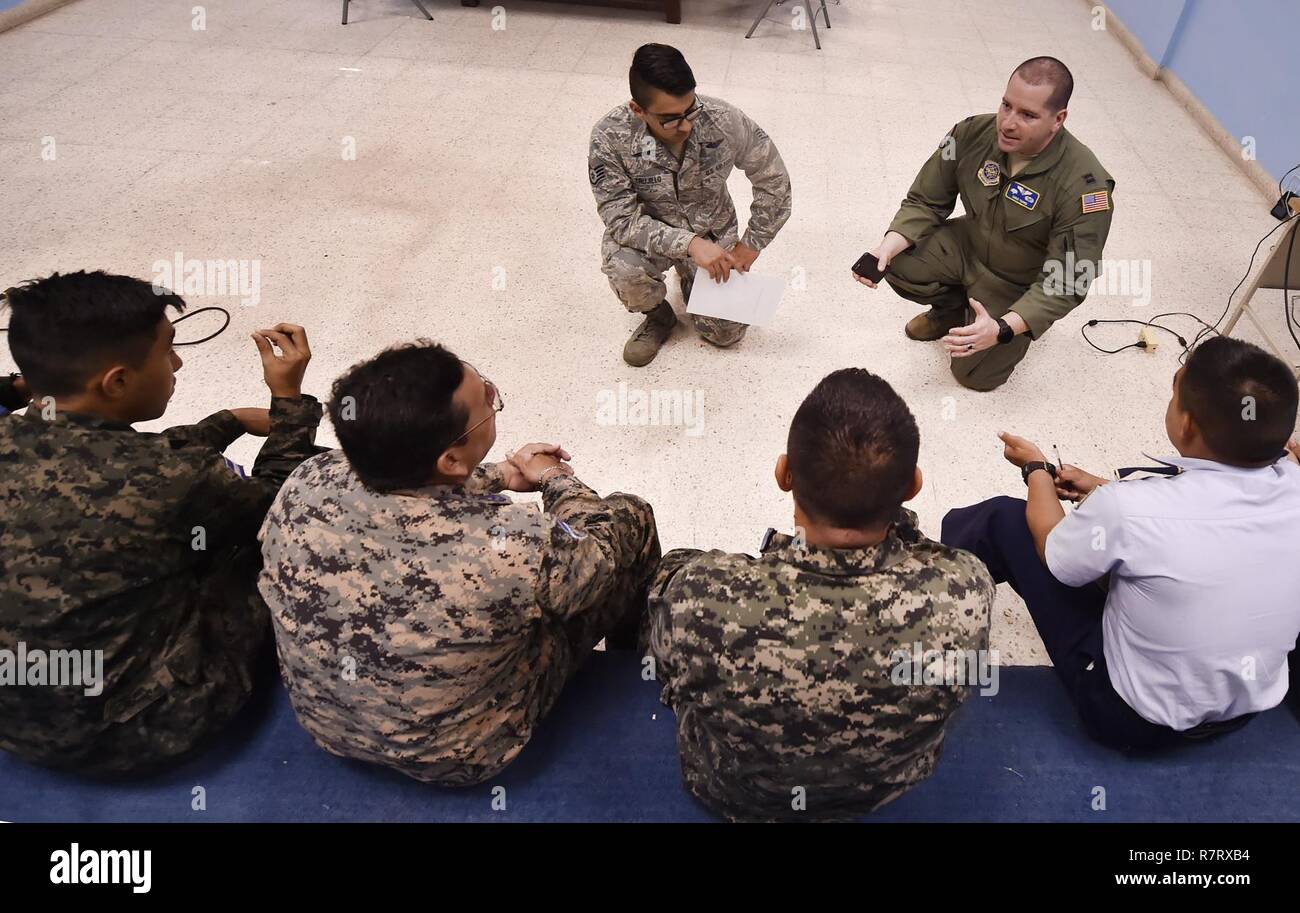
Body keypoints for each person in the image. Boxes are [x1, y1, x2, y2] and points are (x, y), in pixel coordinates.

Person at [258, 341, 661, 786]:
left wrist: (501, 474)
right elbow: (593, 549)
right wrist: (555, 479)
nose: (491, 397)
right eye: (487, 400)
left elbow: (409, 490)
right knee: (629, 519)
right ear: (449, 460)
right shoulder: (516, 547)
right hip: (458, 753)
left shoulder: (307, 480)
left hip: (327, 726)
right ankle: (635, 668)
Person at [0, 270, 322, 775]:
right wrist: (290, 406)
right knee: (252, 548)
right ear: (118, 381)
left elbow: (108, 458)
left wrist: (227, 421)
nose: (176, 362)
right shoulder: (175, 477)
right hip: (136, 732)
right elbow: (278, 502)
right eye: (167, 349)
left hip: (9, 722)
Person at [642, 368, 994, 822]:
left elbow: (669, 678)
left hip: (735, 792)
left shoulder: (702, 593)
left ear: (783, 473)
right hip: (884, 788)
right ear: (913, 487)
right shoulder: (966, 590)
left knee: (674, 567)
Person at [943, 336, 1300, 749]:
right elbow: (1206, 512)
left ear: (1186, 424)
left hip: (1129, 720)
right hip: (1243, 714)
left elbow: (1052, 546)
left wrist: (1036, 469)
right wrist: (1101, 489)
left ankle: (930, 604)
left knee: (1001, 519)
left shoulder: (1127, 509)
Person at [856, 56, 1114, 391]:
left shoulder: (1084, 186)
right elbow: (926, 199)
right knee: (900, 262)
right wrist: (887, 246)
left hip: (1017, 283)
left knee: (974, 377)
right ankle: (951, 311)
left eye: (1027, 115)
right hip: (970, 245)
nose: (1007, 123)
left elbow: (1066, 281)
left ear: (1058, 119)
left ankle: (998, 323)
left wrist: (1004, 328)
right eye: (1006, 105)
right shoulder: (968, 134)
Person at [590, 43, 792, 366]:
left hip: (713, 232)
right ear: (638, 110)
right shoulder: (610, 138)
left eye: (690, 109)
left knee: (726, 335)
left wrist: (751, 245)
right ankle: (658, 316)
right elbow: (621, 220)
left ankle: (692, 282)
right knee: (624, 269)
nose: (686, 126)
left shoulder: (722, 120)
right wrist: (688, 244)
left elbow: (774, 181)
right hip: (650, 235)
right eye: (670, 119)